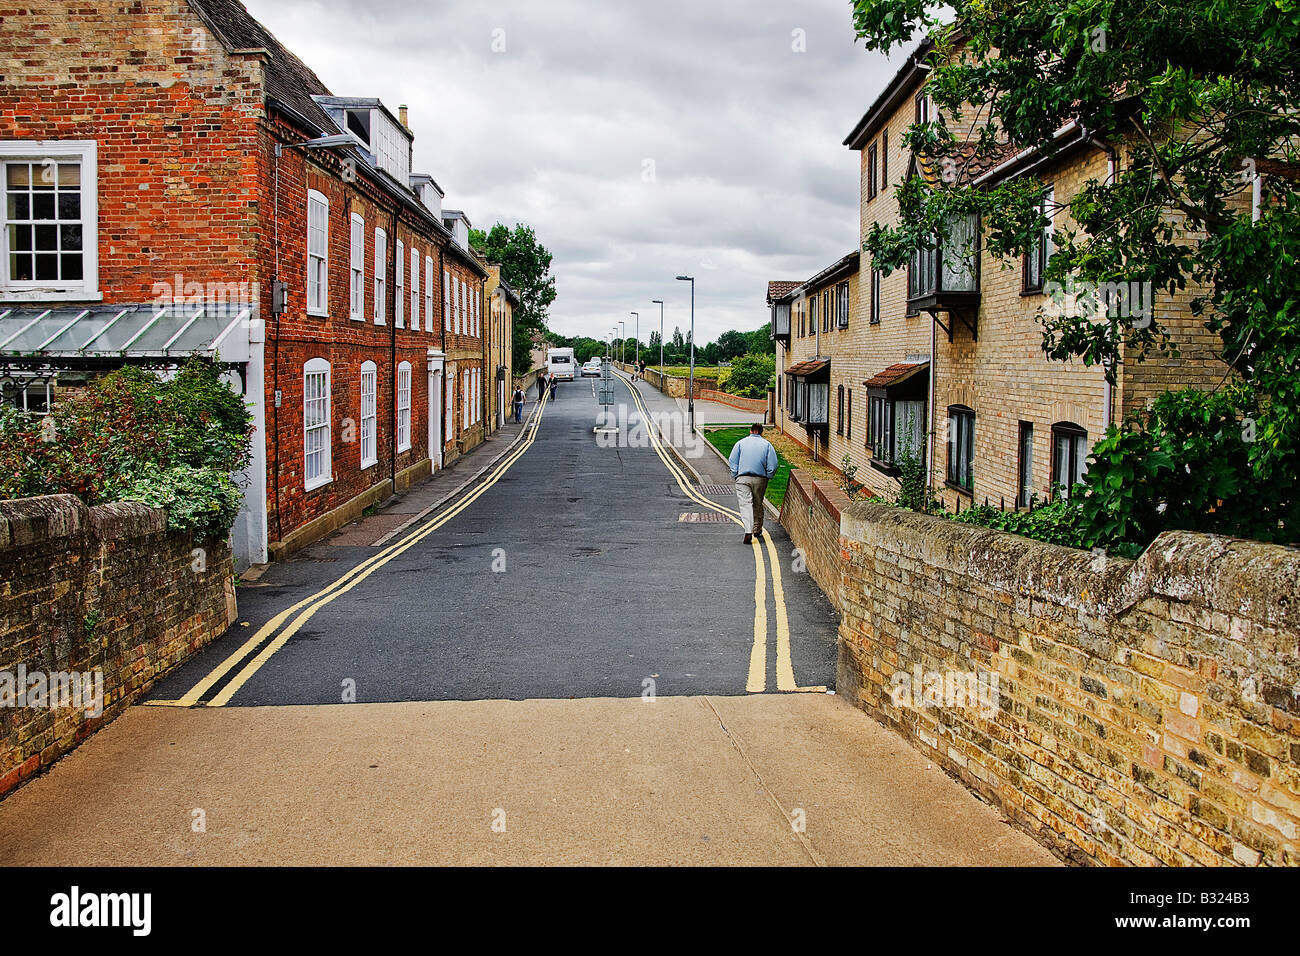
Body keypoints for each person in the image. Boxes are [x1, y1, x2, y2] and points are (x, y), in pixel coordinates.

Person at [727, 422, 779, 544]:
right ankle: (757, 529)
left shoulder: (740, 443)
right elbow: (773, 464)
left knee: (745, 505)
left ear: (750, 431)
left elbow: (732, 460)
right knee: (757, 503)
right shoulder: (767, 445)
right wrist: (768, 476)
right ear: (762, 432)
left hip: (743, 478)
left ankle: (748, 531)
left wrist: (735, 474)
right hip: (760, 478)